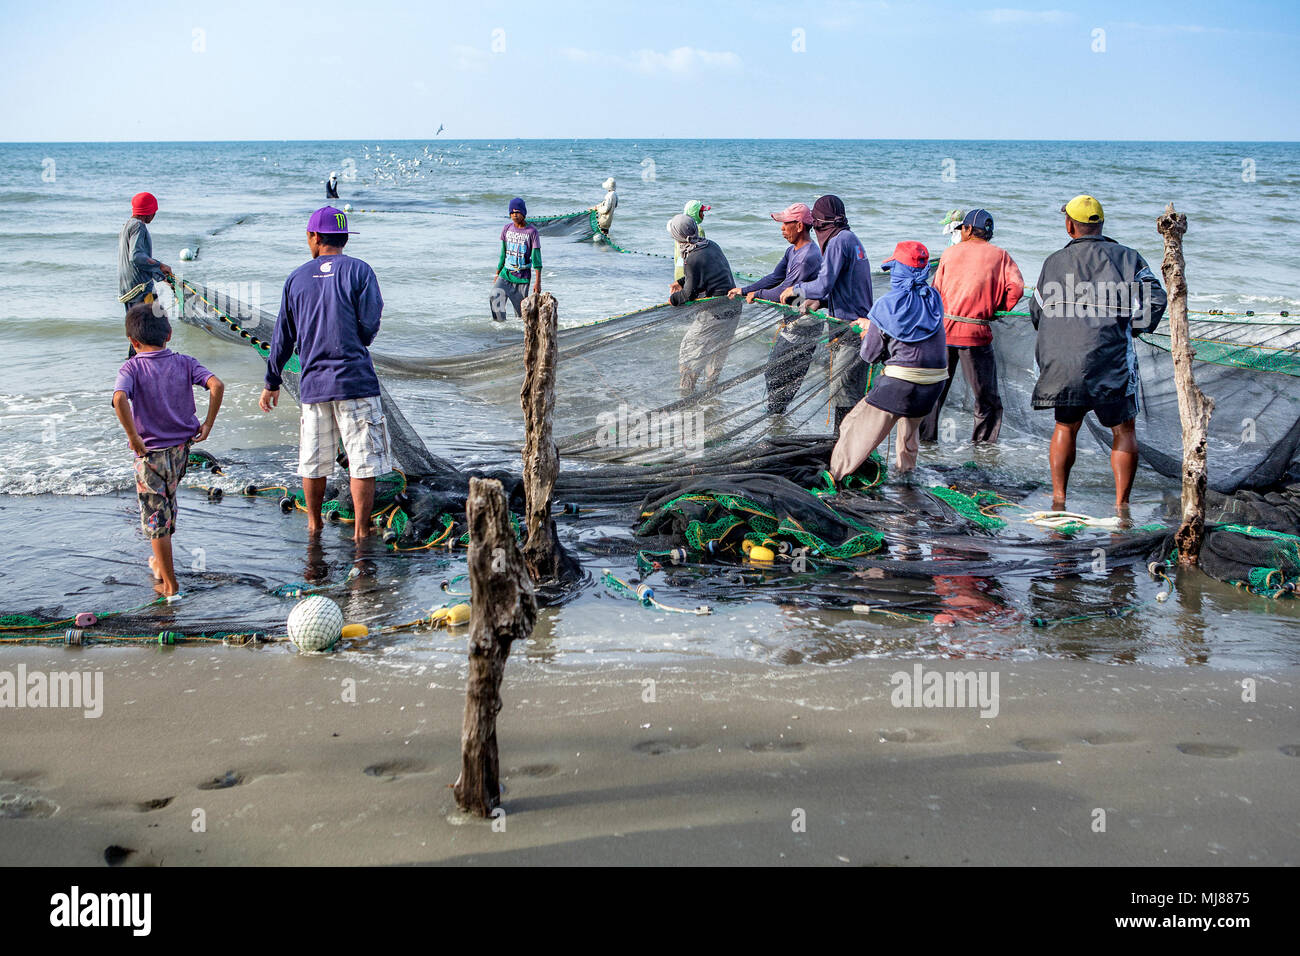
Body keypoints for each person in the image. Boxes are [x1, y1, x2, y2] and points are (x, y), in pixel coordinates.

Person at [260, 206, 391, 541]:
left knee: (313, 460)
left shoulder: (296, 278)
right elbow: (370, 322)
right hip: (355, 381)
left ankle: (314, 526)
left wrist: (272, 381)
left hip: (314, 383)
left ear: (315, 237)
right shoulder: (361, 271)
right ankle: (361, 533)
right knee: (363, 460)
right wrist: (357, 341)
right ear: (344, 238)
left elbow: (282, 336)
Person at [1030, 195, 1167, 510]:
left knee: (1065, 426)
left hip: (1061, 364)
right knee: (1123, 428)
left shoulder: (1053, 262)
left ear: (1069, 226)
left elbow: (1036, 312)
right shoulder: (1128, 258)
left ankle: (1059, 501)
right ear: (1101, 225)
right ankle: (1122, 506)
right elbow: (1156, 299)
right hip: (1110, 360)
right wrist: (1134, 326)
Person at [112, 303, 224, 597]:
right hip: (180, 452)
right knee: (167, 508)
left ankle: (171, 585)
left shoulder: (132, 367)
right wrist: (207, 424)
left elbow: (120, 399)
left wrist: (133, 437)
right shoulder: (185, 362)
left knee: (155, 519)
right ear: (169, 334)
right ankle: (160, 566)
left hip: (149, 456)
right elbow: (216, 385)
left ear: (133, 342)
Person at [829, 241, 947, 481]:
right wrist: (874, 325)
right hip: (935, 385)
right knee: (908, 436)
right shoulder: (934, 298)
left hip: (900, 385)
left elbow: (870, 355)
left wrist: (869, 330)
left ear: (898, 270)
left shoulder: (886, 304)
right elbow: (915, 332)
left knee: (852, 430)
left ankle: (835, 482)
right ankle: (906, 482)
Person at [919, 208, 1024, 445]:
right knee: (986, 398)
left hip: (943, 332)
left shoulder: (949, 254)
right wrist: (997, 309)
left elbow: (935, 292)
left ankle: (925, 444)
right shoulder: (1001, 255)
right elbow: (1016, 289)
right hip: (976, 334)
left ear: (967, 230)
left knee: (934, 391)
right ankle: (984, 448)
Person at [778, 195, 874, 432]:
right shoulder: (850, 239)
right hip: (856, 326)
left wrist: (796, 290)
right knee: (847, 393)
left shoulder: (838, 241)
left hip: (849, 331)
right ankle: (843, 449)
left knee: (845, 395)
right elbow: (845, 288)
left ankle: (842, 453)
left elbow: (823, 283)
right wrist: (820, 303)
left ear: (822, 222)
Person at [726, 203, 824, 414]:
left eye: (785, 224)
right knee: (777, 371)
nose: (781, 228)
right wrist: (745, 290)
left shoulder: (807, 257)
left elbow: (785, 294)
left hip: (806, 322)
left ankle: (777, 414)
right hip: (794, 318)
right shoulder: (793, 250)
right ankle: (777, 414)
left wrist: (758, 295)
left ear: (799, 226)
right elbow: (775, 277)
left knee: (780, 371)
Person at [667, 213, 741, 395]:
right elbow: (708, 272)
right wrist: (682, 281)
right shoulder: (710, 245)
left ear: (678, 235)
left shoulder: (692, 257)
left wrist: (673, 300)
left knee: (688, 355)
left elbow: (690, 294)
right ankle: (711, 401)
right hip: (733, 308)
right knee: (716, 356)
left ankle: (686, 399)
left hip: (715, 313)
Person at [490, 197, 542, 322]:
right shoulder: (507, 229)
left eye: (517, 212)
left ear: (523, 213)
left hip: (522, 277)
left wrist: (537, 281)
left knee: (521, 313)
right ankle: (500, 328)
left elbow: (536, 258)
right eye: (512, 213)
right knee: (494, 296)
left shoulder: (532, 232)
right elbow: (503, 253)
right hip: (505, 274)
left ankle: (520, 335)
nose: (514, 215)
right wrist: (497, 273)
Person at [671, 200, 710, 292]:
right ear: (695, 213)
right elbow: (701, 253)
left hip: (679, 270)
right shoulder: (697, 229)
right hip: (690, 272)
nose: (703, 215)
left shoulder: (679, 228)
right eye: (701, 212)